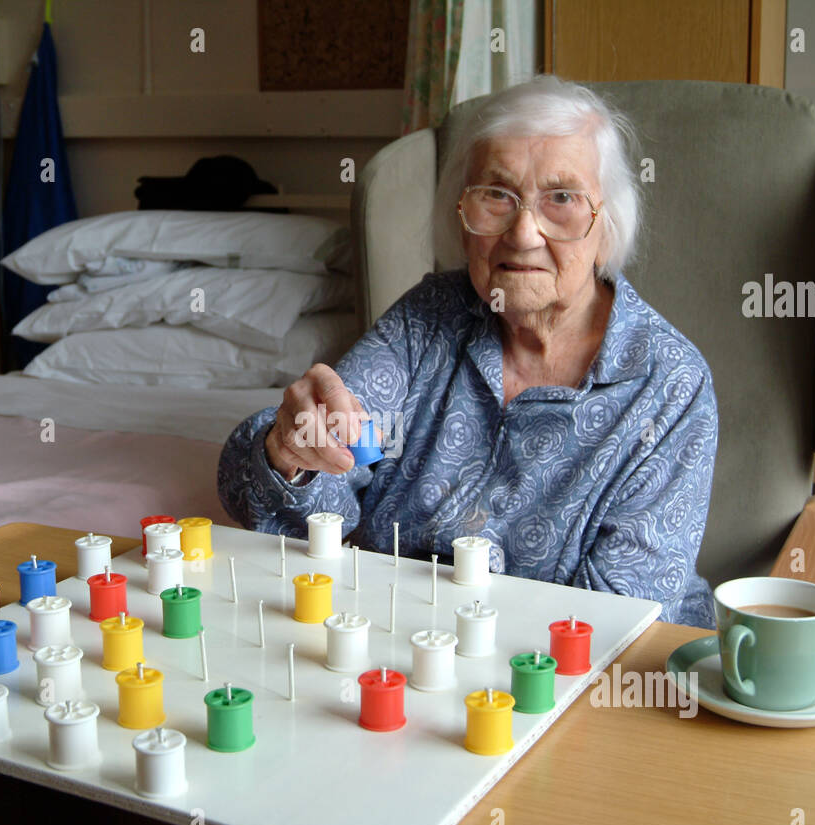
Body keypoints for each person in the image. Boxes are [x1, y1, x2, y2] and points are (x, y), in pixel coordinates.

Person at [217, 75, 718, 627]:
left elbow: (622, 619)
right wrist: (290, 455)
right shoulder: (426, 320)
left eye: (563, 199)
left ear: (607, 227)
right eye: (496, 195)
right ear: (460, 216)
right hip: (387, 656)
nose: (524, 232)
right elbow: (307, 508)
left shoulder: (667, 383)